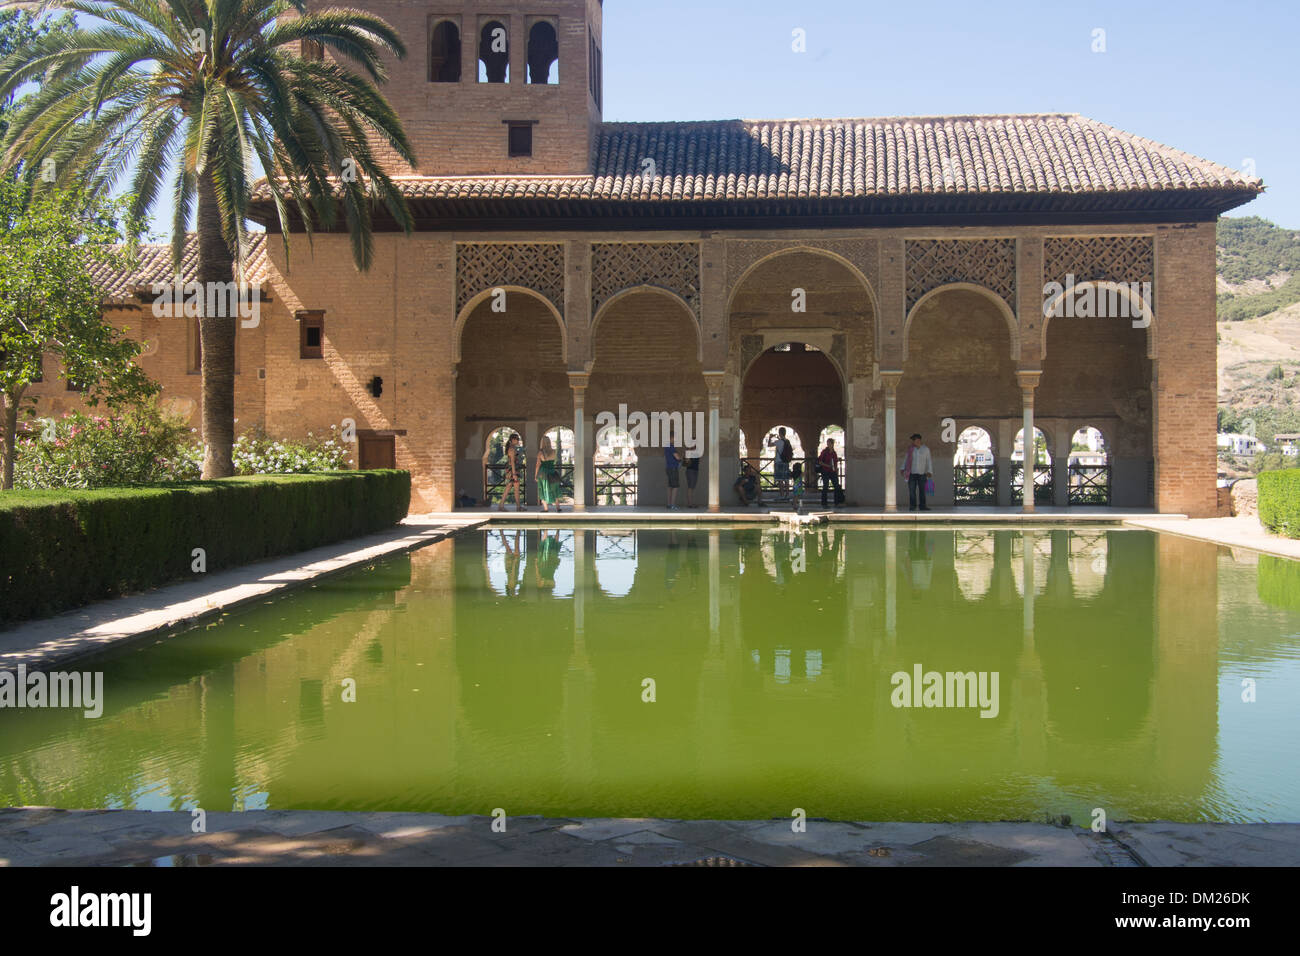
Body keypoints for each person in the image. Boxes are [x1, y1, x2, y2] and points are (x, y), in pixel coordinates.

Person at [900, 432, 933, 512]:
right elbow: (906, 459)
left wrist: (929, 471)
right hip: (912, 473)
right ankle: (912, 506)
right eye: (913, 440)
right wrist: (902, 468)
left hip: (922, 473)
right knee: (912, 491)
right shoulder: (911, 449)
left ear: (919, 440)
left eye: (914, 440)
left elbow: (929, 460)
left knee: (922, 491)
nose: (913, 442)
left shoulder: (926, 449)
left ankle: (922, 506)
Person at [534, 434, 562, 513]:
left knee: (542, 489)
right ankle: (558, 507)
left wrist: (535, 475)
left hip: (543, 473)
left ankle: (546, 508)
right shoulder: (553, 451)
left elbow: (537, 465)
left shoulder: (540, 452)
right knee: (554, 489)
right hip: (552, 471)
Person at [499, 432, 525, 511]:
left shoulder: (512, 448)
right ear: (512, 440)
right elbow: (512, 462)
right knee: (511, 488)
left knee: (512, 487)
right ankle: (502, 506)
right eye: (517, 439)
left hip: (512, 470)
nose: (518, 440)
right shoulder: (512, 449)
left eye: (518, 439)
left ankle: (517, 506)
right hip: (512, 470)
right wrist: (514, 473)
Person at [768, 427, 794, 500]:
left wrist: (770, 437)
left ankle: (782, 495)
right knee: (786, 479)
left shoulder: (778, 442)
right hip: (786, 462)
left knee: (780, 479)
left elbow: (769, 445)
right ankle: (787, 495)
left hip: (779, 462)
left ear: (779, 433)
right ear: (785, 433)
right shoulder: (787, 441)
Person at [818, 437, 842, 508]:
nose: (828, 445)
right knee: (825, 486)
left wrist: (836, 469)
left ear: (832, 444)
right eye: (827, 443)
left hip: (833, 472)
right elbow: (820, 462)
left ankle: (836, 503)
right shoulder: (824, 452)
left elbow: (835, 462)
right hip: (825, 471)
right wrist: (828, 466)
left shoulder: (834, 453)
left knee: (836, 486)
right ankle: (824, 503)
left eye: (829, 443)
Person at [664, 440, 683, 510]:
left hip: (668, 468)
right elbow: (677, 457)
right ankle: (673, 505)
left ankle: (669, 504)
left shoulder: (666, 446)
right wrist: (681, 459)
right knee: (675, 486)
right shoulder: (671, 446)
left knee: (670, 486)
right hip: (673, 469)